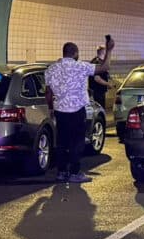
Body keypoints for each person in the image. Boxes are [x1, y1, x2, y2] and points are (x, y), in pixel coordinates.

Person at [44, 35, 112, 183]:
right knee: (77, 142)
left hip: (60, 110)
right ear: (75, 53)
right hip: (77, 110)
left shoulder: (51, 69)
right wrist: (109, 50)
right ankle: (75, 172)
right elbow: (104, 67)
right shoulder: (81, 66)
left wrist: (50, 109)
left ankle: (61, 172)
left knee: (61, 141)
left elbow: (48, 92)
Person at [88, 44, 114, 109]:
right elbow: (97, 78)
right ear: (103, 52)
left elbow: (103, 74)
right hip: (97, 92)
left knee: (101, 110)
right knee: (99, 111)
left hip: (100, 92)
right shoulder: (97, 62)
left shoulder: (101, 62)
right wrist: (108, 84)